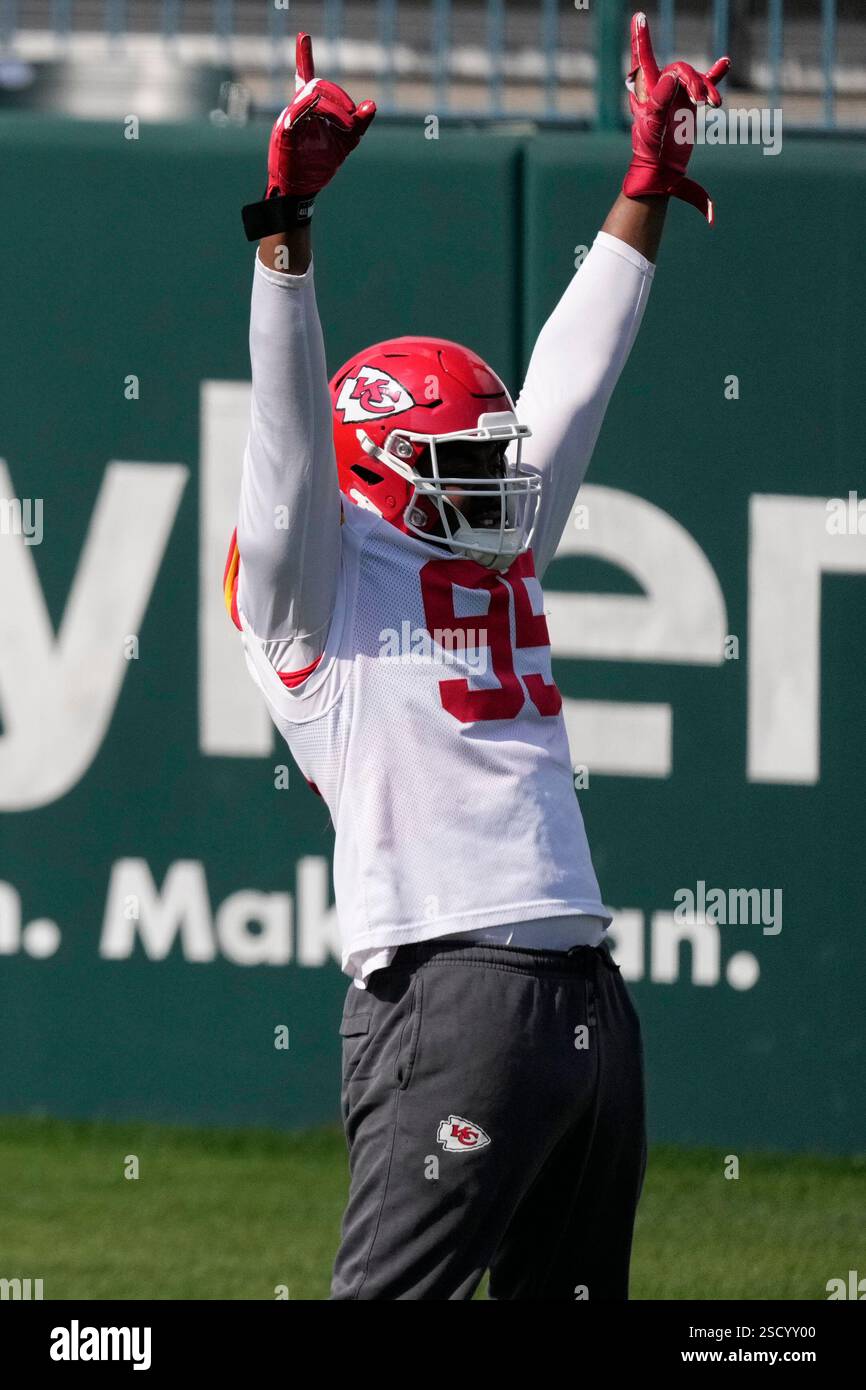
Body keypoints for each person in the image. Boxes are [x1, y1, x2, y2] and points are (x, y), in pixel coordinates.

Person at [225, 13, 730, 1300]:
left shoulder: (487, 543)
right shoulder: (310, 590)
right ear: (373, 479)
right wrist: (280, 235)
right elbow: (283, 451)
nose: (497, 489)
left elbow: (568, 380)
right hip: (498, 993)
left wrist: (642, 187)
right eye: (453, 467)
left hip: (549, 1005)